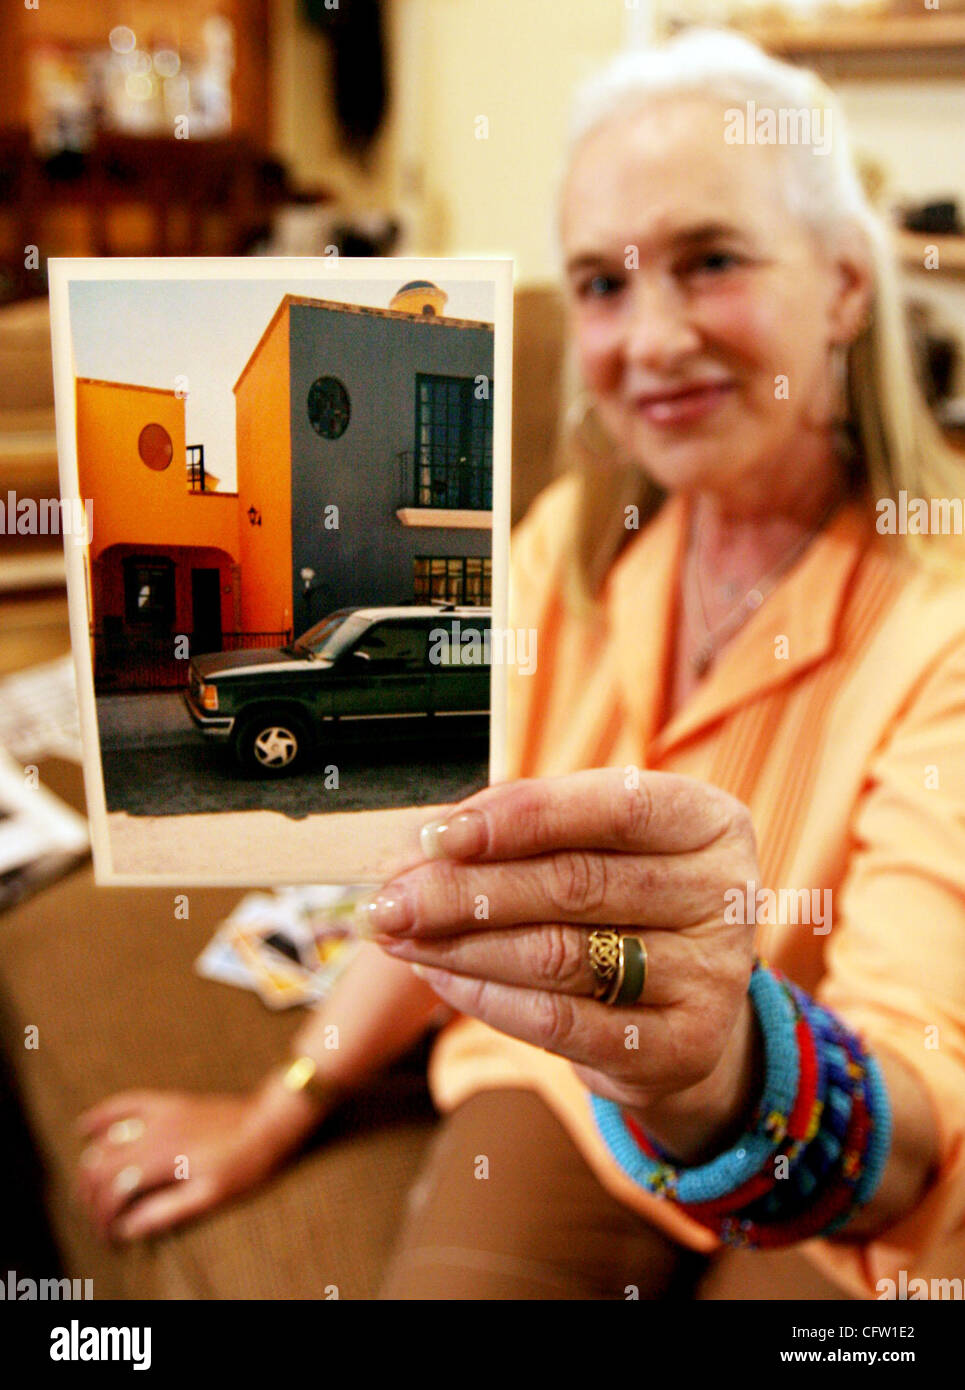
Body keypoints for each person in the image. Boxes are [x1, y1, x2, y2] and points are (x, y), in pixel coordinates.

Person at [76, 30, 965, 1300]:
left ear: (840, 287)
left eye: (709, 260)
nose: (648, 338)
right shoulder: (564, 554)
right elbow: (445, 868)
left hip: (823, 1192)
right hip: (559, 1094)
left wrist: (727, 1067)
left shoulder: (938, 631)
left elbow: (919, 1124)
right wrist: (276, 1108)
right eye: (601, 282)